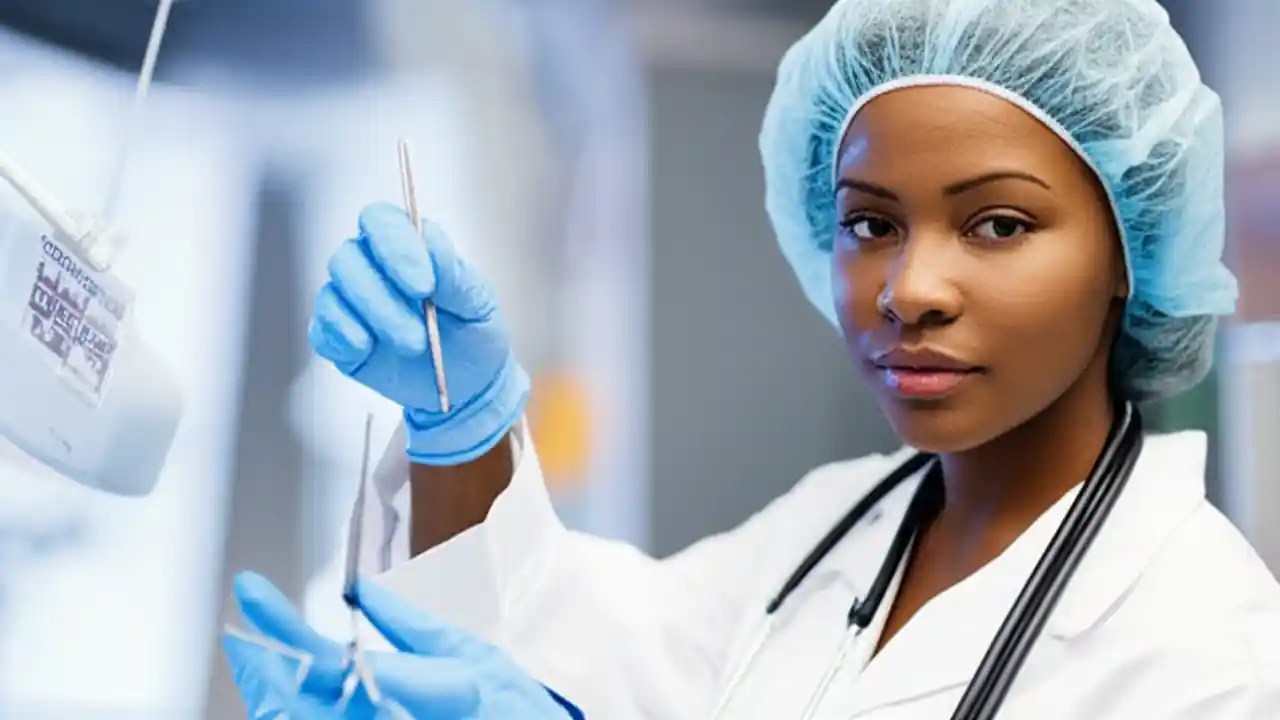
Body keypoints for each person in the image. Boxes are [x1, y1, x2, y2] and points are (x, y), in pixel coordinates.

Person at [226, 0, 1280, 717]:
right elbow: (553, 638)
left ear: (1129, 250)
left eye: (998, 224)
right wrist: (460, 425)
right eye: (870, 224)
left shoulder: (1206, 652)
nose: (909, 287)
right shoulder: (835, 530)